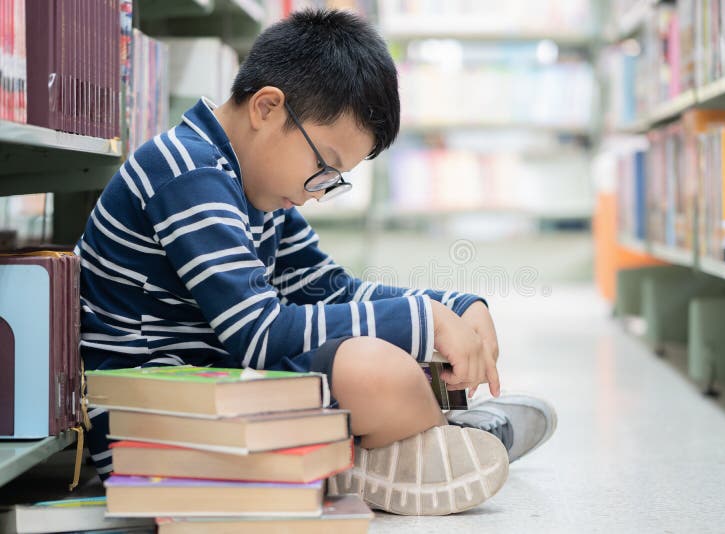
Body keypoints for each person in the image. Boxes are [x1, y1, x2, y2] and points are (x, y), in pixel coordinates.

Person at [78, 9, 556, 515]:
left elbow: (329, 289)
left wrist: (452, 306)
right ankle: (443, 439)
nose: (316, 191)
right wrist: (425, 321)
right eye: (323, 167)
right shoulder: (187, 173)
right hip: (156, 432)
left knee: (394, 344)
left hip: (223, 389)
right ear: (266, 108)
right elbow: (258, 332)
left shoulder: (254, 187)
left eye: (333, 178)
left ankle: (409, 447)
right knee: (378, 368)